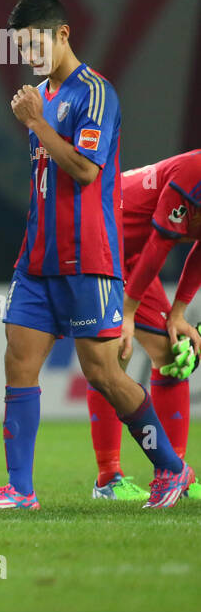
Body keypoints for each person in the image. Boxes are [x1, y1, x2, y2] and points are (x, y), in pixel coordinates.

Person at [0, 0, 193, 510]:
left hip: (89, 261)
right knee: (18, 365)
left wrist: (37, 124)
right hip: (37, 260)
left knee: (104, 375)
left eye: (36, 44)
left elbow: (86, 170)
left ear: (63, 34)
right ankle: (20, 490)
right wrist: (39, 120)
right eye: (22, 48)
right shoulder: (43, 97)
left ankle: (171, 469)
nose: (30, 56)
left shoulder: (95, 93)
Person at [85, 150, 201, 498]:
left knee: (170, 356)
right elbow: (160, 242)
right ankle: (108, 479)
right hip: (102, 245)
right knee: (111, 358)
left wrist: (179, 313)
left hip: (133, 253)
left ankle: (176, 475)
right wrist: (129, 314)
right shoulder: (194, 170)